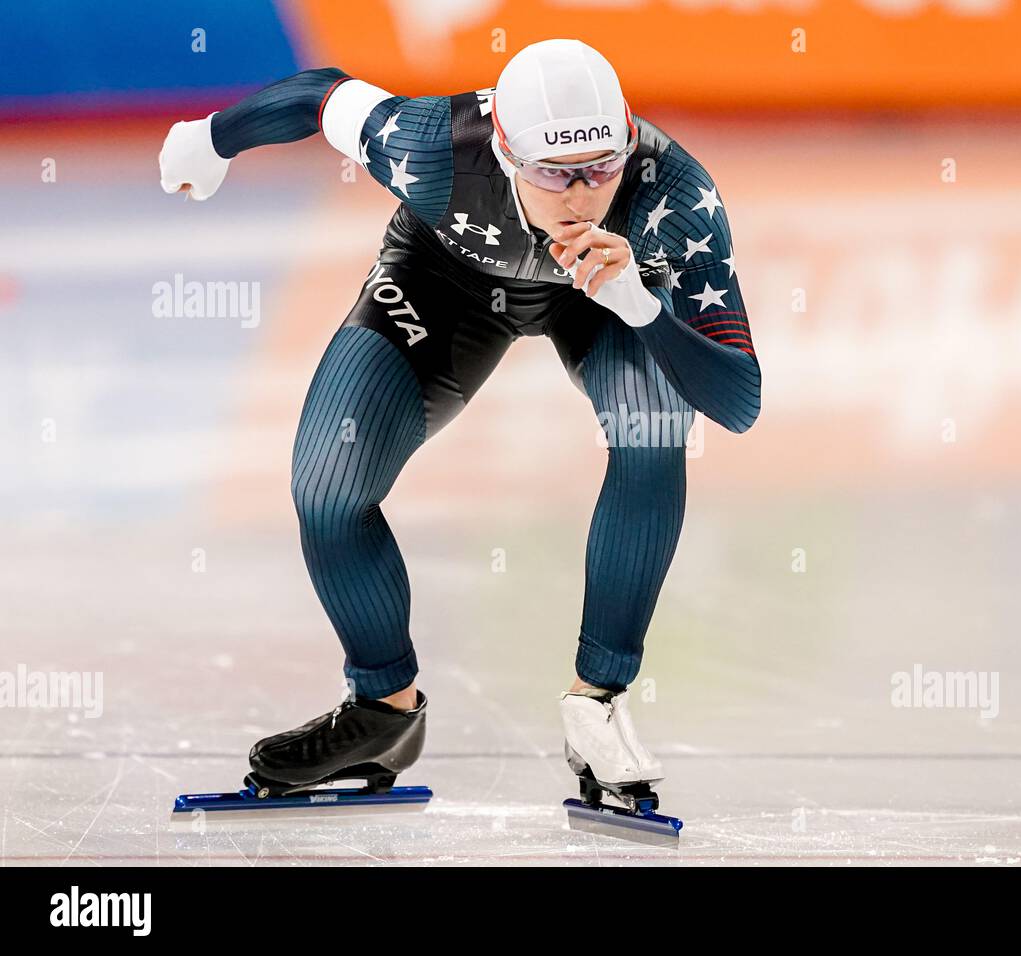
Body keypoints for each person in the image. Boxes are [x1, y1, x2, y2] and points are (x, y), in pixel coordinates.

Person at [159, 39, 761, 807]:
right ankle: (383, 709)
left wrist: (642, 306)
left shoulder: (676, 196)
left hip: (606, 292)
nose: (579, 196)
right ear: (507, 155)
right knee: (327, 489)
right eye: (552, 173)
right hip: (446, 280)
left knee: (653, 432)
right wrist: (211, 137)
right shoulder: (431, 147)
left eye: (600, 167)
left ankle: (597, 703)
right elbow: (321, 94)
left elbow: (738, 402)